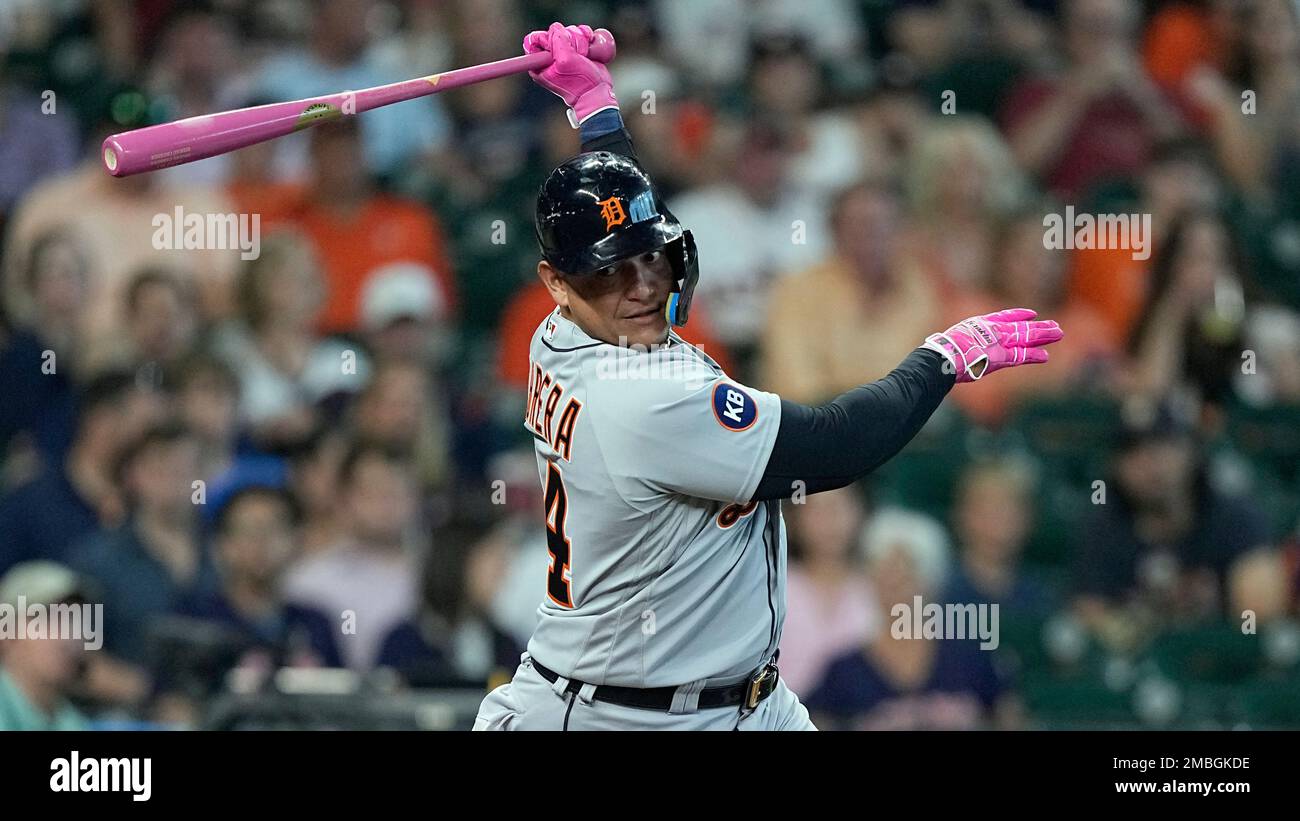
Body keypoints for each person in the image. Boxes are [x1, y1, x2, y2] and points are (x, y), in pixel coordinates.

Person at [474, 23, 1062, 731]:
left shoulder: (561, 331)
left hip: (742, 699)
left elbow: (619, 214)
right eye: (607, 272)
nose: (637, 284)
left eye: (647, 256)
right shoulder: (638, 398)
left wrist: (595, 109)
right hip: (622, 715)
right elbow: (834, 445)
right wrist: (943, 355)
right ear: (557, 283)